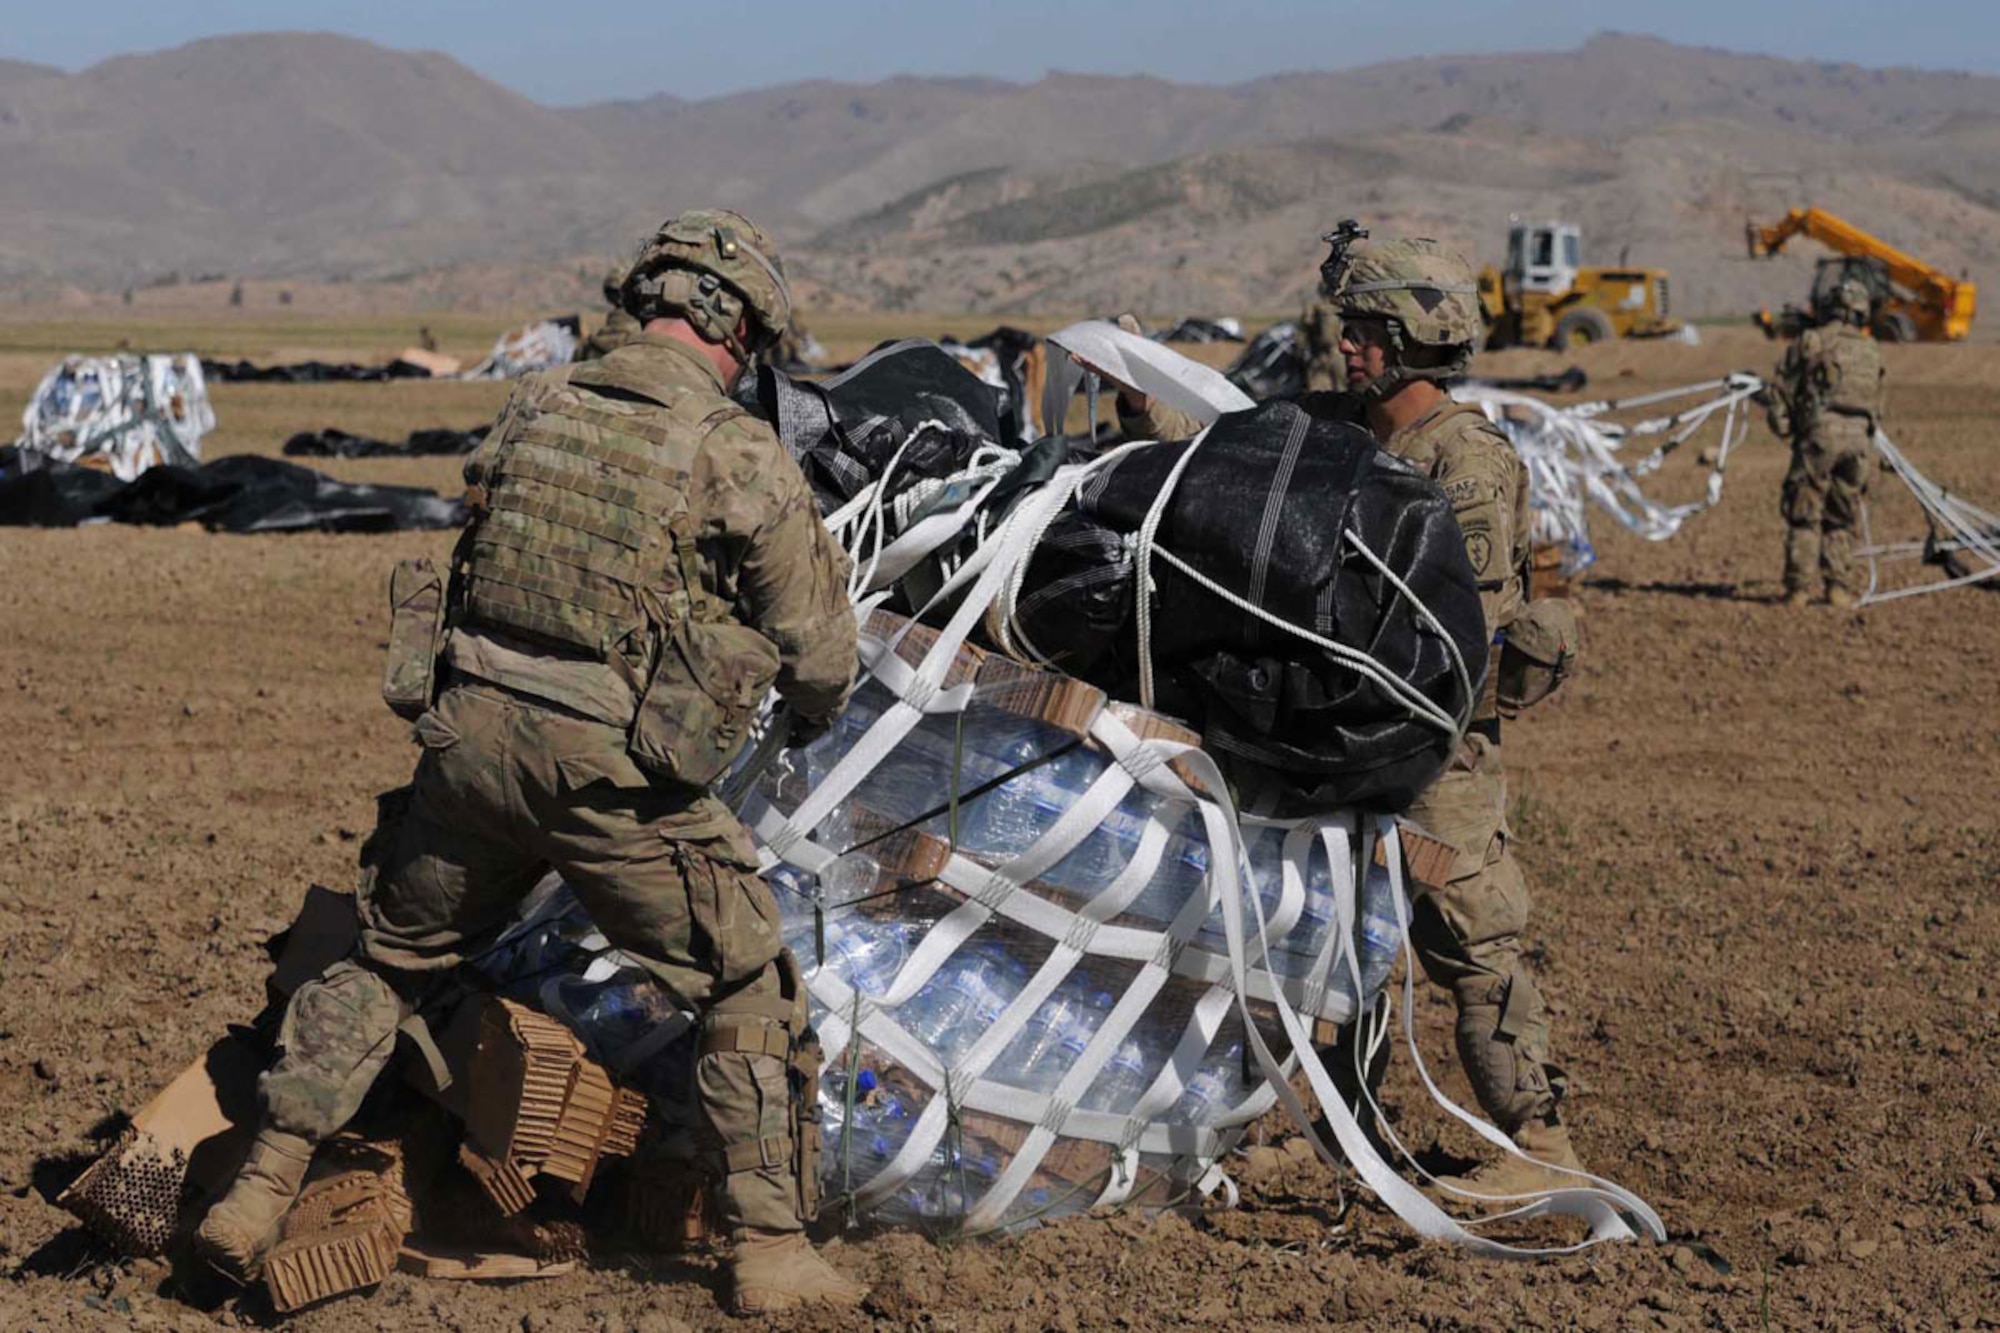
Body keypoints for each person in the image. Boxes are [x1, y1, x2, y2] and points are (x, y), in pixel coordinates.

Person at [194, 209, 867, 1315]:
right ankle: (769, 1248)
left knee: (385, 959)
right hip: (612, 783)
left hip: (467, 750)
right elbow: (823, 658)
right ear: (735, 328)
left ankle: (259, 1187)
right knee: (745, 979)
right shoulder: (737, 449)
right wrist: (801, 702)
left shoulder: (535, 404)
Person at [1108, 235, 1585, 1198]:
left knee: (1470, 937)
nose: (1350, 345)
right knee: (1329, 930)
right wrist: (1138, 391)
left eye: (1369, 330)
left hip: (1433, 749)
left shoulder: (1465, 460)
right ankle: (1337, 1127)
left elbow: (1461, 632)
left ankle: (1542, 1143)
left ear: (1416, 337)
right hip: (1332, 731)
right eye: (1350, 328)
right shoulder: (1337, 427)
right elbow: (1226, 450)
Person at [1766, 277, 1886, 607]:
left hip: (1820, 438)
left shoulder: (1812, 341)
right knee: (1842, 516)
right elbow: (1878, 405)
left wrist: (1787, 428)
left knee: (1805, 513)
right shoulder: (1871, 349)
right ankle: (1837, 588)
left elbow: (1781, 392)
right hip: (1857, 444)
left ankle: (1799, 589)